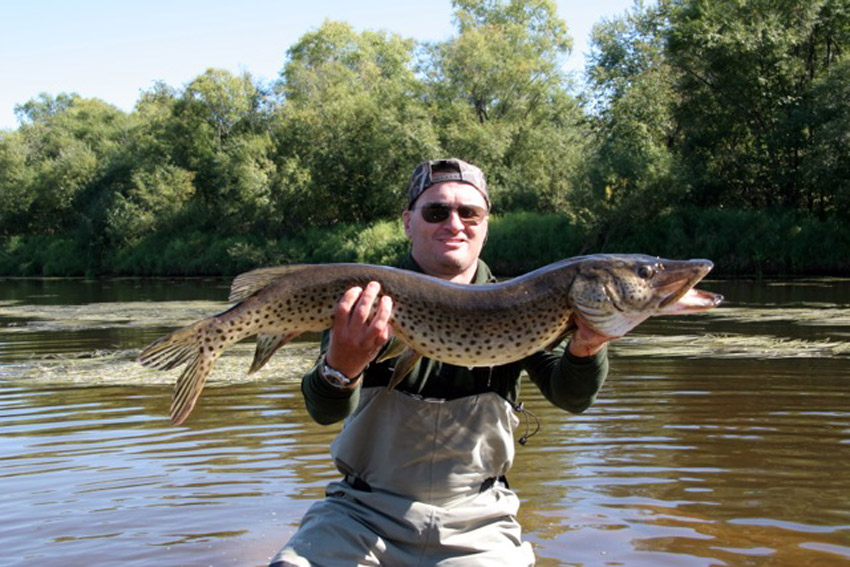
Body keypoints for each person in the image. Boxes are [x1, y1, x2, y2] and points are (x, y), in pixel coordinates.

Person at [269, 158, 611, 567]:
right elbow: (324, 412)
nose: (454, 223)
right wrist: (340, 368)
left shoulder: (522, 301)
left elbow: (571, 398)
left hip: (478, 521)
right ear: (408, 222)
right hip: (360, 514)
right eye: (436, 211)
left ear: (486, 224)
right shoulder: (366, 297)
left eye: (470, 212)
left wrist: (588, 349)